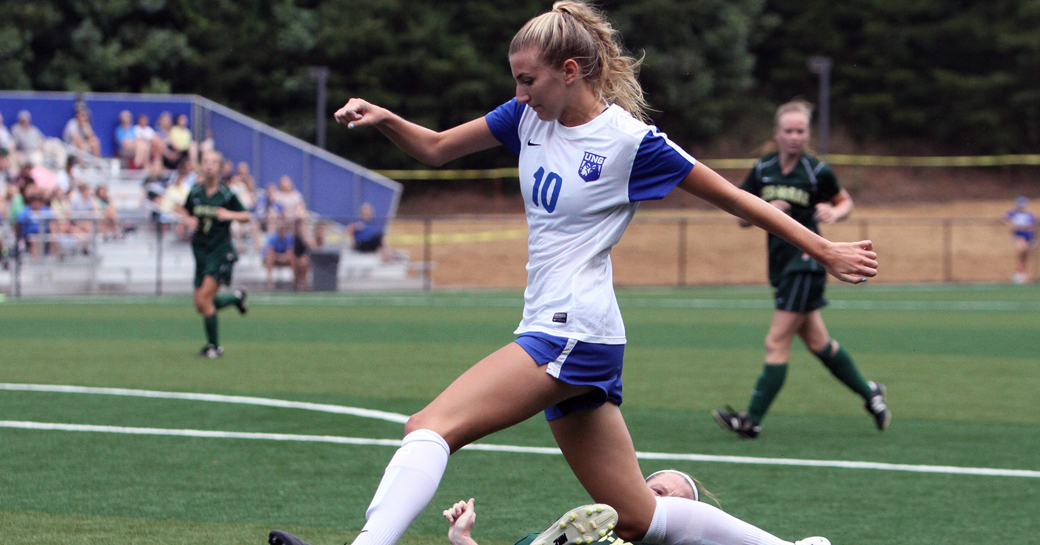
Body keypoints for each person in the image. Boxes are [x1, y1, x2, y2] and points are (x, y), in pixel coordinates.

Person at [268, 4, 874, 545]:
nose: (519, 91)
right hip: (576, 332)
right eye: (516, 79)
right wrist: (384, 117)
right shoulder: (526, 116)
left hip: (571, 329)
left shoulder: (630, 142)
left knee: (430, 426)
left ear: (571, 71)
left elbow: (739, 200)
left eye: (528, 79)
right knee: (637, 516)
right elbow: (435, 148)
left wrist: (824, 249)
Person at [711, 100, 890, 440]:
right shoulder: (762, 169)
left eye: (801, 131)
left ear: (807, 135)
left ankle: (752, 420)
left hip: (806, 262)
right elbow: (739, 218)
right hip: (779, 264)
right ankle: (871, 393)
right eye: (789, 131)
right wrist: (763, 209)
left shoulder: (815, 170)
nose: (795, 136)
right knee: (818, 342)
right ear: (777, 134)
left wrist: (835, 213)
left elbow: (844, 200)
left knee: (776, 341)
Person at [438, 470, 710, 545]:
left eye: (677, 503)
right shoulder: (582, 527)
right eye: (657, 492)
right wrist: (461, 538)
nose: (664, 501)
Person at [176, 150, 251, 358]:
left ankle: (214, 347)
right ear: (201, 166)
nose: (209, 166)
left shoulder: (226, 194)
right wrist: (187, 220)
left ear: (219, 168)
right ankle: (236, 297)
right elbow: (183, 211)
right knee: (200, 304)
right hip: (200, 252)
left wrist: (229, 214)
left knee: (204, 300)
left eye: (213, 162)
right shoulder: (196, 192)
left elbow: (246, 215)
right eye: (205, 162)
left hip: (220, 252)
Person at [1004, 196, 1037, 284]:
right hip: (1019, 235)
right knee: (1022, 248)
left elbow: (1033, 225)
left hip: (1028, 235)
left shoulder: (1029, 214)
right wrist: (1012, 224)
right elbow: (1005, 218)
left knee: (1026, 253)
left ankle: (1022, 270)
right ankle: (1019, 268)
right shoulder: (1013, 213)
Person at [263, 220, 296, 290]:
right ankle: (270, 282)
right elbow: (270, 251)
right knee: (269, 258)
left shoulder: (289, 237)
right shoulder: (272, 238)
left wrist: (283, 257)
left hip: (284, 257)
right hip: (275, 257)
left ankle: (295, 281)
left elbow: (290, 251)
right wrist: (279, 257)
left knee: (293, 258)